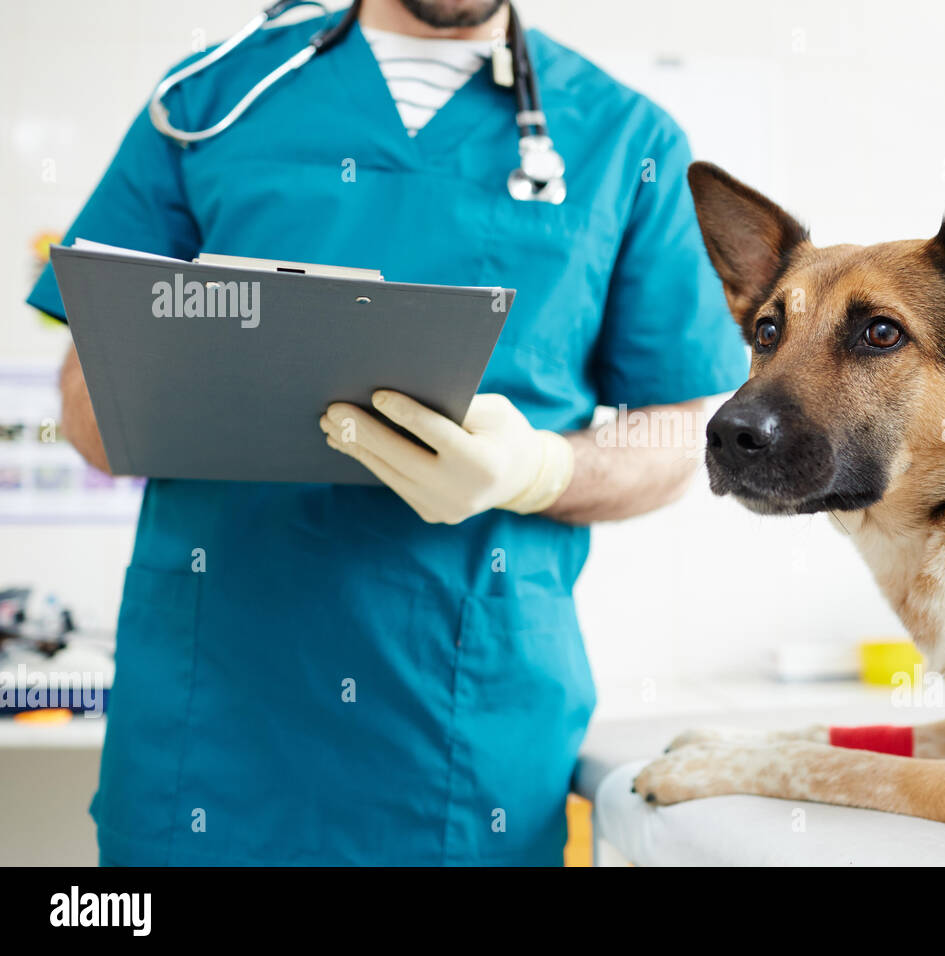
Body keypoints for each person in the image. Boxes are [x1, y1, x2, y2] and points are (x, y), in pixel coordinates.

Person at [28, 0, 746, 865]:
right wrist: (195, 372)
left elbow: (678, 432)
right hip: (210, 733)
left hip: (463, 741)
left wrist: (539, 470)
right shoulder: (211, 99)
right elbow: (85, 407)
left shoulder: (628, 140)